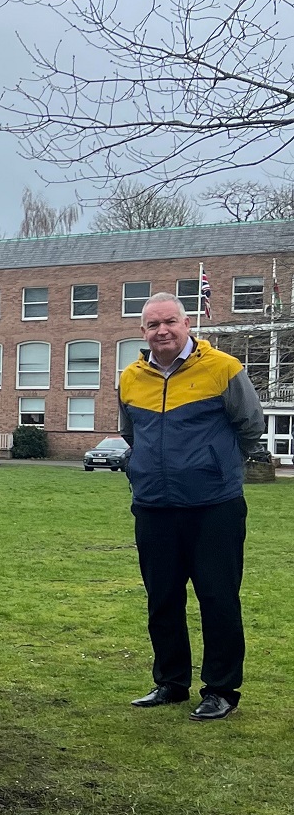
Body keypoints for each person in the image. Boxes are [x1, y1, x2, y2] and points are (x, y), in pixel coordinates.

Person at [121, 292, 265, 721]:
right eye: (152, 325)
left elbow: (251, 426)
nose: (161, 331)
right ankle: (171, 682)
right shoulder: (130, 377)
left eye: (170, 322)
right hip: (154, 505)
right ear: (142, 331)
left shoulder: (223, 368)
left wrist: (213, 466)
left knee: (218, 597)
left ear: (188, 325)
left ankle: (221, 689)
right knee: (162, 598)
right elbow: (131, 434)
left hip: (214, 506)